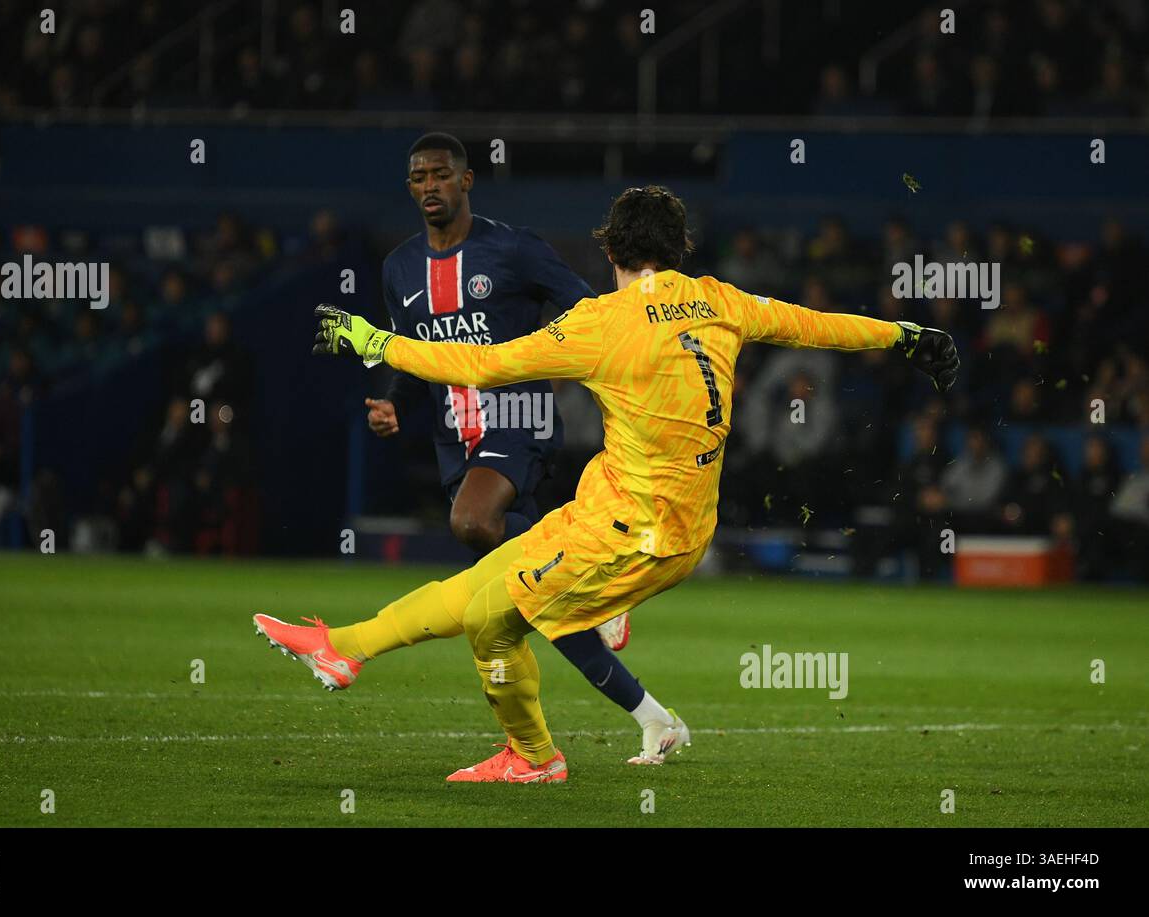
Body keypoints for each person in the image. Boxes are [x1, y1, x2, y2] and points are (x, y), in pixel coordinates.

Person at [292, 186, 957, 782]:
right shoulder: (717, 298)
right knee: (481, 581)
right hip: (630, 510)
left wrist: (378, 343)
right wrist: (906, 335)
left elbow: (486, 365)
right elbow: (814, 324)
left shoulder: (599, 322)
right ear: (681, 246)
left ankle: (534, 758)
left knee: (490, 625)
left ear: (609, 247)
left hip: (637, 536)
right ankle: (345, 647)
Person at [266, 134, 687, 766]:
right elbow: (414, 350)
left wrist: (576, 354)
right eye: (418, 177)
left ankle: (364, 649)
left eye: (441, 174)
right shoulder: (400, 268)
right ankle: (647, 711)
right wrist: (393, 403)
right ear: (409, 188)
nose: (429, 185)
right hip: (454, 435)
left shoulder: (512, 249)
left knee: (473, 521)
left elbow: (592, 308)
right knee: (530, 592)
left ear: (467, 182)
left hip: (520, 416)